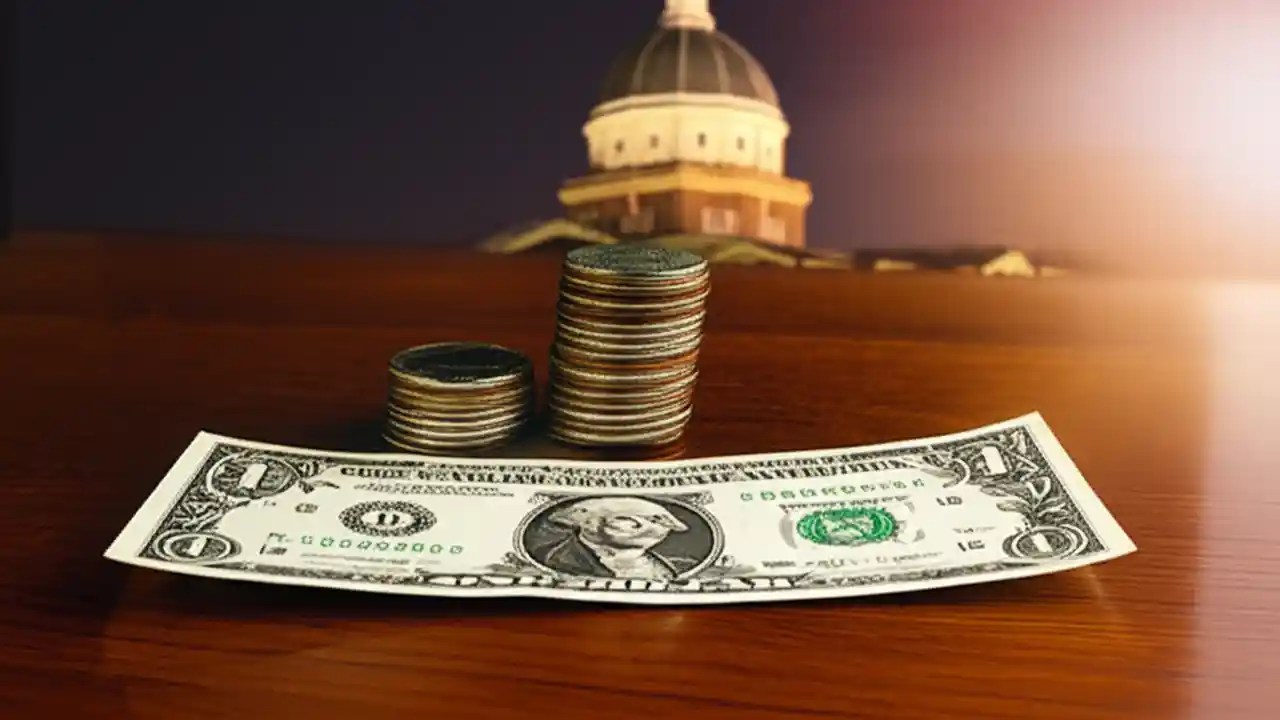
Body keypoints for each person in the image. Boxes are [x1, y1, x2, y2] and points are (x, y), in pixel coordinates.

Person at [534, 497, 699, 580]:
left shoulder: (680, 567)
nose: (635, 526)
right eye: (624, 519)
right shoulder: (551, 560)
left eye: (657, 520)